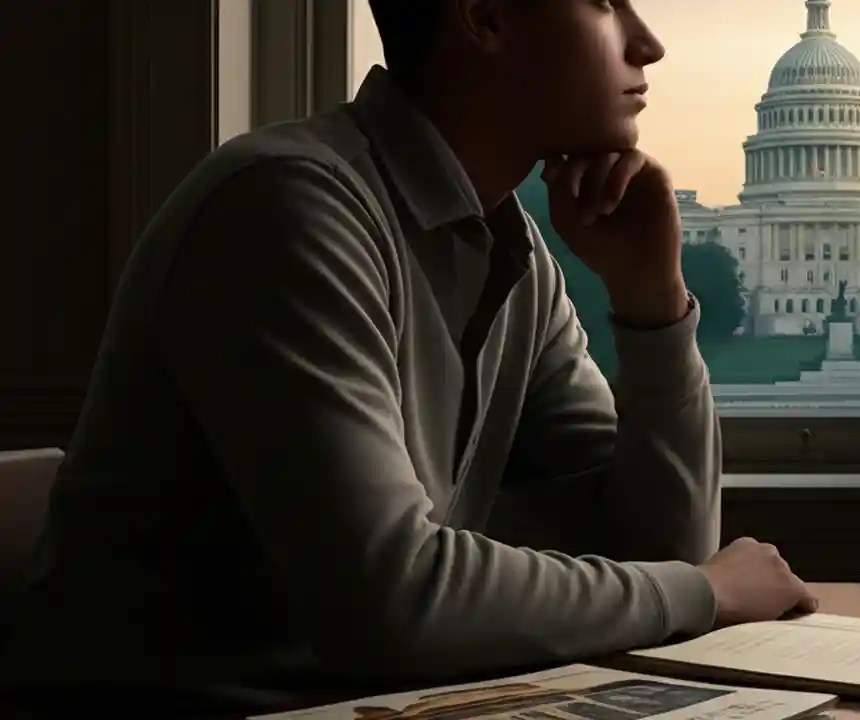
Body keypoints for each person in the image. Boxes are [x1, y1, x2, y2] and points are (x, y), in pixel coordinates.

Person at [0, 0, 817, 715]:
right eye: (605, 1)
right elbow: (393, 600)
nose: (647, 43)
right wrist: (708, 592)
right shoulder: (287, 210)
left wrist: (652, 303)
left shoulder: (516, 253)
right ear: (486, 17)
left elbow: (657, 550)